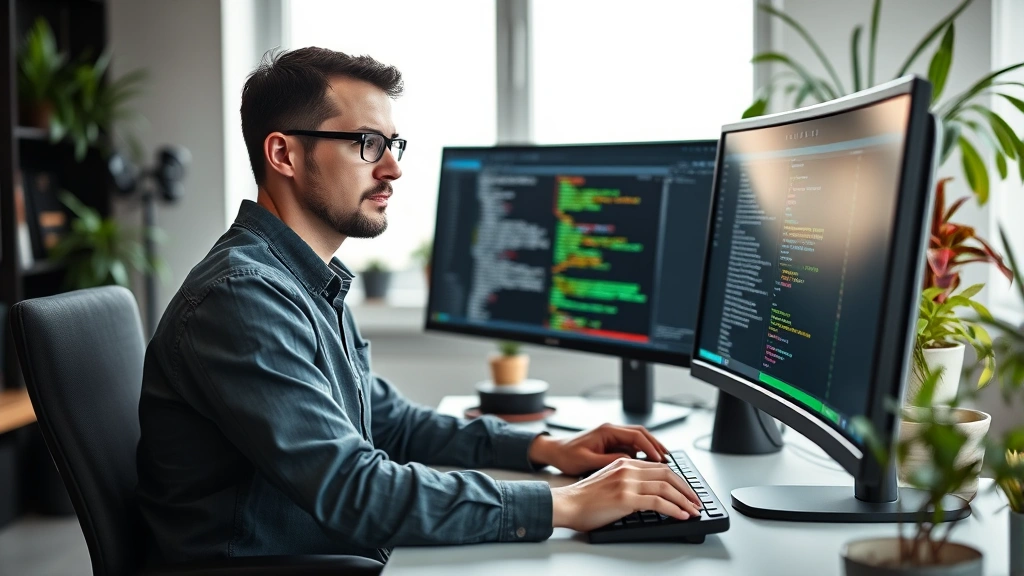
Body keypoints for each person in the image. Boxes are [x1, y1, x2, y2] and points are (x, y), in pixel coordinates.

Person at [136, 46, 701, 567]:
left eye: (393, 144)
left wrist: (545, 448)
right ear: (283, 153)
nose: (393, 168)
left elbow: (388, 420)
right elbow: (353, 488)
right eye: (366, 143)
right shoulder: (241, 297)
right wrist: (565, 504)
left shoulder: (303, 281)